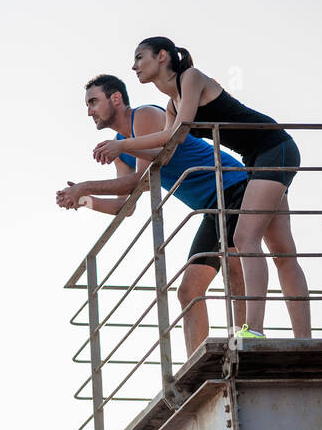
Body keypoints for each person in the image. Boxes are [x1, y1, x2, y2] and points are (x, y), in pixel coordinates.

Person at [91, 38, 311, 340]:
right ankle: (304, 339)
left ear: (163, 56)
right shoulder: (171, 104)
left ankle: (254, 331)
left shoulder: (190, 78)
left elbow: (180, 134)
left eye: (140, 57)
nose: (134, 66)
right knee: (283, 253)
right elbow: (167, 146)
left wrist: (123, 145)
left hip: (273, 146)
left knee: (245, 237)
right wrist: (116, 154)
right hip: (254, 160)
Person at [57, 73, 250, 355]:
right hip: (210, 207)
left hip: (233, 185)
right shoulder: (120, 145)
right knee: (188, 290)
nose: (89, 111)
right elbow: (127, 204)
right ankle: (196, 362)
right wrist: (83, 199)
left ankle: (245, 338)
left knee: (233, 262)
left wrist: (85, 186)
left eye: (94, 102)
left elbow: (141, 179)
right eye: (87, 105)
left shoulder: (144, 117)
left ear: (116, 98)